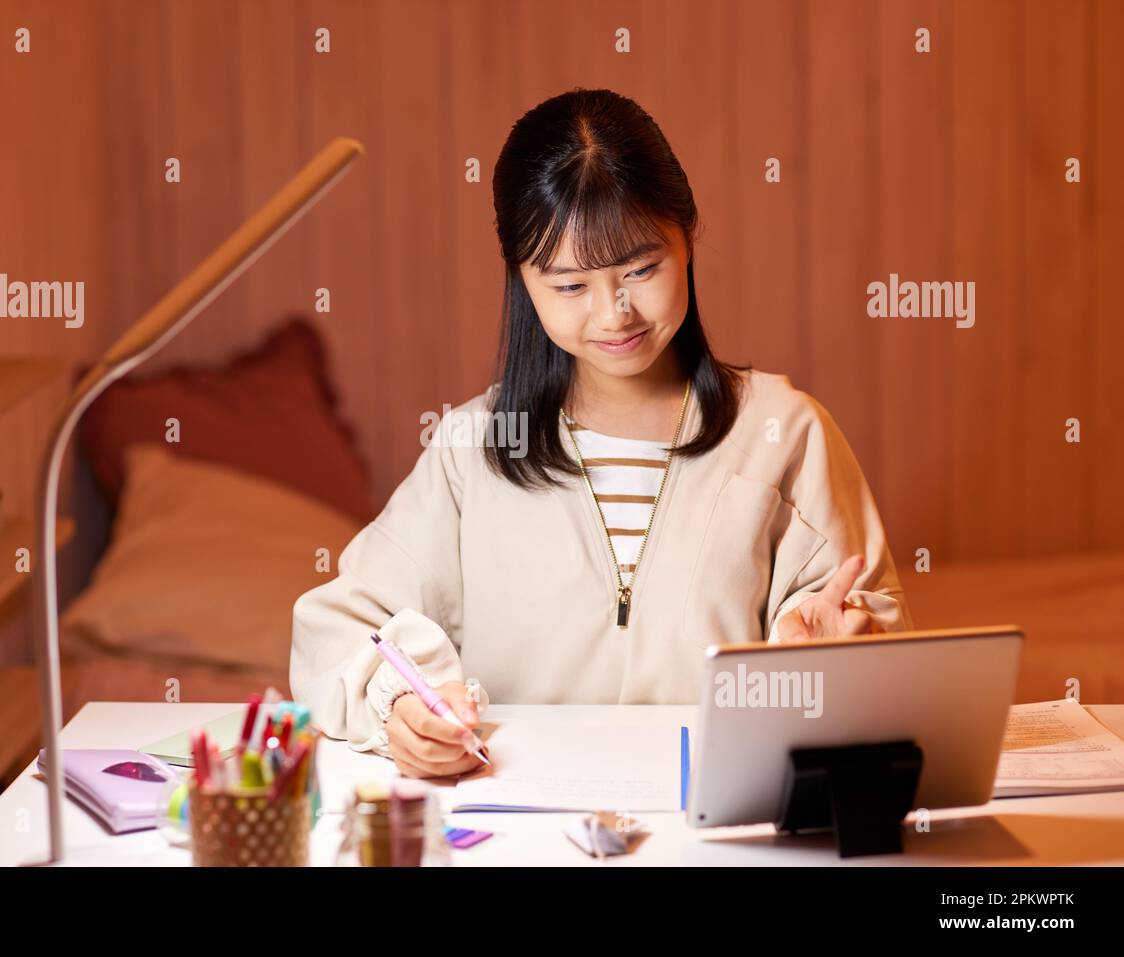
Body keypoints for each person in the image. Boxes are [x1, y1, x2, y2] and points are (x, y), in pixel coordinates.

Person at [291, 88, 911, 779]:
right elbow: (337, 631)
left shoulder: (785, 432)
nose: (614, 313)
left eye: (641, 270)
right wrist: (397, 703)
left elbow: (875, 641)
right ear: (522, 280)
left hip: (716, 829)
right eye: (568, 286)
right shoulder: (475, 451)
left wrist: (828, 660)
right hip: (515, 829)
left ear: (687, 235)